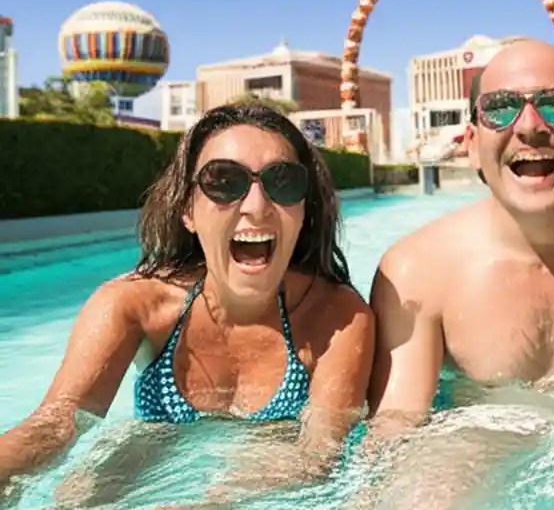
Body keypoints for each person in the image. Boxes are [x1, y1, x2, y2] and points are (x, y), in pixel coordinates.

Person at [0, 103, 374, 505]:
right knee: (75, 496)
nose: (256, 206)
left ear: (305, 210)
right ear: (188, 212)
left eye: (282, 182)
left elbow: (318, 456)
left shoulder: (337, 318)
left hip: (264, 479)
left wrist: (202, 503)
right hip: (155, 449)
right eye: (224, 181)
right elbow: (55, 425)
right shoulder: (133, 307)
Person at [363, 39, 554, 505]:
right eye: (500, 108)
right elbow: (396, 430)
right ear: (471, 145)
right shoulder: (420, 272)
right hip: (480, 439)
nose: (530, 126)